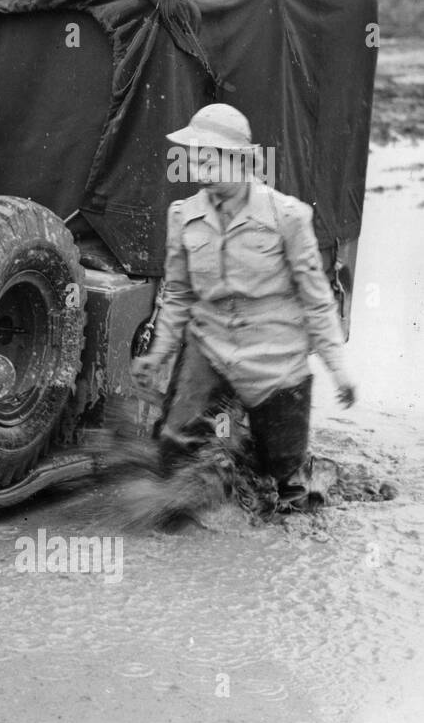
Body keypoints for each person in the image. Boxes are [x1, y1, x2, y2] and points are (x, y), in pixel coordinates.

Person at [130, 103, 356, 511]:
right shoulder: (183, 216)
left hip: (273, 349)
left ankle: (290, 496)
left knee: (283, 468)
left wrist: (337, 368)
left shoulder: (288, 216)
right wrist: (158, 352)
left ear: (239, 159)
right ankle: (180, 519)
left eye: (208, 155)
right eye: (195, 155)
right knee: (174, 441)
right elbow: (178, 295)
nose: (198, 164)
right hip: (211, 342)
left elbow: (316, 298)